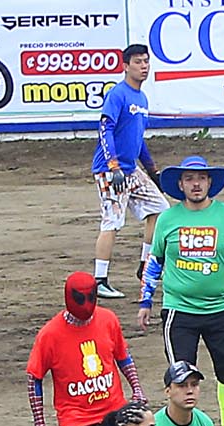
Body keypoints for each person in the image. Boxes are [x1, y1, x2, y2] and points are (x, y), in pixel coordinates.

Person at [139, 156, 224, 426]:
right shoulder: (168, 219)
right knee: (181, 375)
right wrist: (146, 300)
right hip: (179, 311)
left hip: (221, 308)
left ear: (210, 183)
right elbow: (154, 263)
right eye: (190, 179)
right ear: (180, 184)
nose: (196, 184)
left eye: (201, 178)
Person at [26, 271, 137, 426]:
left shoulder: (108, 320)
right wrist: (39, 425)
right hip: (75, 412)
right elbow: (34, 378)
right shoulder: (50, 334)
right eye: (80, 298)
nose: (86, 305)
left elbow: (123, 356)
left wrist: (137, 388)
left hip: (111, 406)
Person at [90, 43, 165, 292]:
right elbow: (105, 128)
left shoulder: (142, 98)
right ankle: (99, 280)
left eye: (146, 61)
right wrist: (113, 165)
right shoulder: (117, 94)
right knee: (112, 221)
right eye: (138, 62)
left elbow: (137, 137)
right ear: (125, 66)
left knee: (161, 209)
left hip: (131, 169)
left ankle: (145, 265)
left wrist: (152, 170)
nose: (143, 66)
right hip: (112, 170)